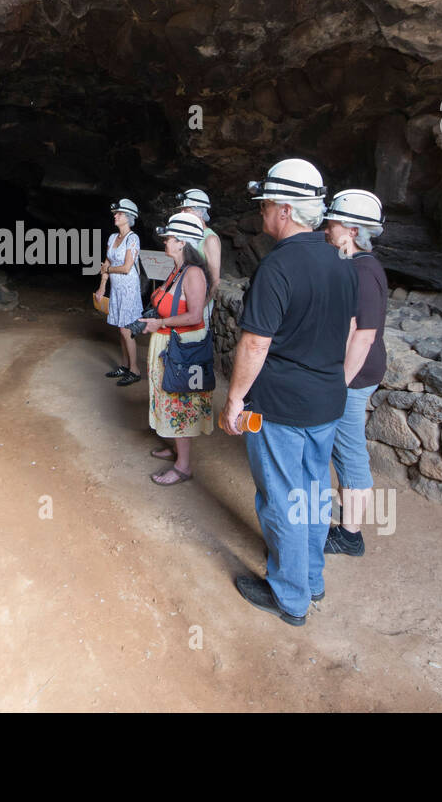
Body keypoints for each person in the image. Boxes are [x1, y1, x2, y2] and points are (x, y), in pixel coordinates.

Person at [219, 159, 357, 625]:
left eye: (264, 207)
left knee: (281, 496)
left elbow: (256, 342)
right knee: (315, 491)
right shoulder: (341, 260)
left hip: (278, 406)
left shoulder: (277, 266)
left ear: (283, 209)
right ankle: (311, 578)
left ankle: (290, 596)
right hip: (327, 401)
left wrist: (236, 399)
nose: (260, 215)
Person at [322, 189, 388, 557]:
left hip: (356, 375)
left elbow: (363, 336)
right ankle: (349, 528)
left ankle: (350, 535)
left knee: (350, 454)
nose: (327, 229)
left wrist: (339, 384)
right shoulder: (356, 265)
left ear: (350, 229)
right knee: (346, 450)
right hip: (356, 371)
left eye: (332, 223)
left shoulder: (363, 272)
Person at [130, 212, 214, 485]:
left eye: (169, 238)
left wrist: (160, 322)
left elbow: (195, 316)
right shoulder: (177, 270)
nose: (165, 241)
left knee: (180, 402)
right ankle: (176, 446)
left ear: (182, 243)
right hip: (169, 344)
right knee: (169, 398)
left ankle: (183, 465)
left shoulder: (194, 274)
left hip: (182, 349)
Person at [96, 198, 143, 386]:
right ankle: (124, 365)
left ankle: (135, 370)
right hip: (116, 288)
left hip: (129, 289)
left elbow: (126, 268)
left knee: (126, 330)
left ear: (129, 217)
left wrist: (108, 270)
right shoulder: (112, 238)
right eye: (116, 214)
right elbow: (106, 262)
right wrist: (102, 287)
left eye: (120, 214)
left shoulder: (133, 238)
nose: (115, 216)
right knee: (120, 328)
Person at [174, 189, 220, 327]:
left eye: (186, 209)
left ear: (200, 212)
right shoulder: (188, 236)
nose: (181, 213)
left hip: (198, 305)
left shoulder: (210, 239)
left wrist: (202, 306)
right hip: (182, 301)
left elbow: (215, 280)